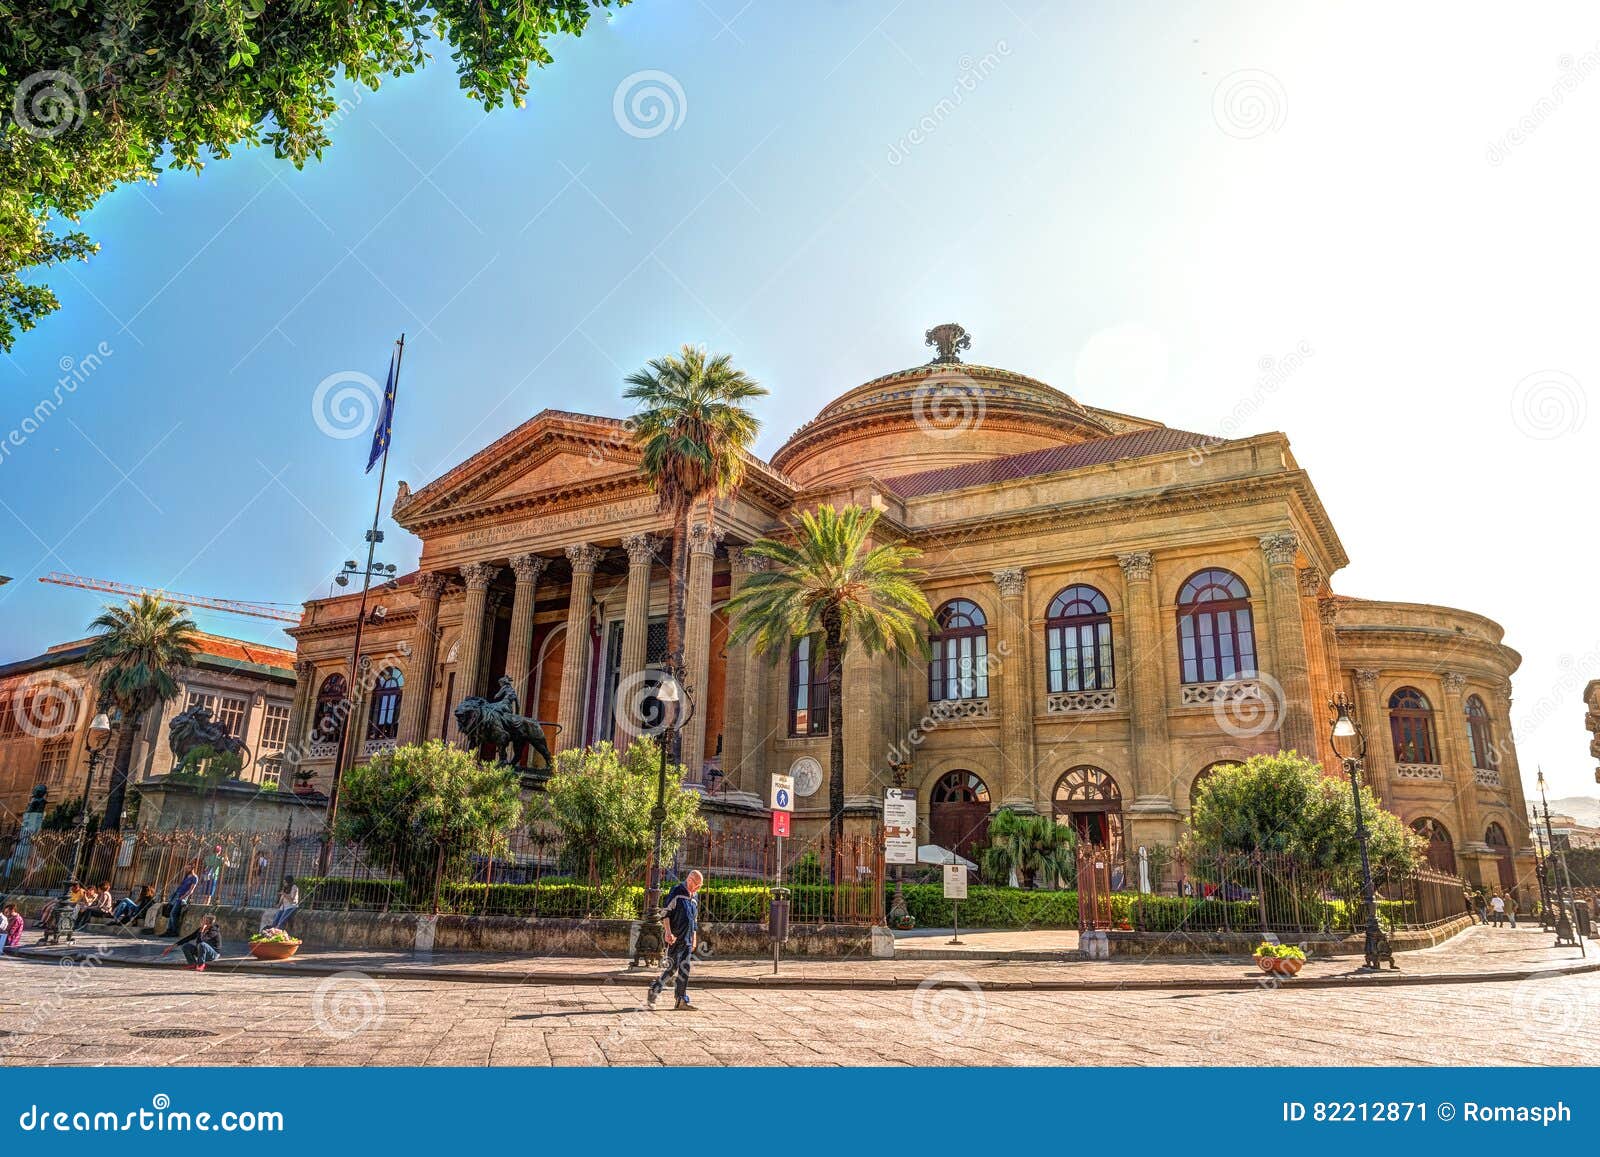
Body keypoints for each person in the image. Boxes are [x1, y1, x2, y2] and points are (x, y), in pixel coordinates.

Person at [647, 869, 703, 1012]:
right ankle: (654, 989)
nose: (698, 888)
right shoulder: (677, 891)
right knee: (672, 968)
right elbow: (666, 913)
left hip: (688, 939)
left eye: (700, 886)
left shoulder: (695, 896)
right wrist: (668, 932)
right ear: (690, 880)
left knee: (685, 969)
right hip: (675, 937)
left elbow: (694, 919)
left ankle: (681, 1000)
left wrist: (694, 937)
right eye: (697, 885)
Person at [163, 862, 200, 936]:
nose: (186, 869)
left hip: (182, 897)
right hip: (176, 895)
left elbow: (191, 890)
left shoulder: (194, 877)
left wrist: (184, 896)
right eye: (186, 868)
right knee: (170, 912)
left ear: (192, 868)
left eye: (188, 868)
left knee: (173, 913)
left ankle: (174, 931)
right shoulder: (186, 876)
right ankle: (169, 930)